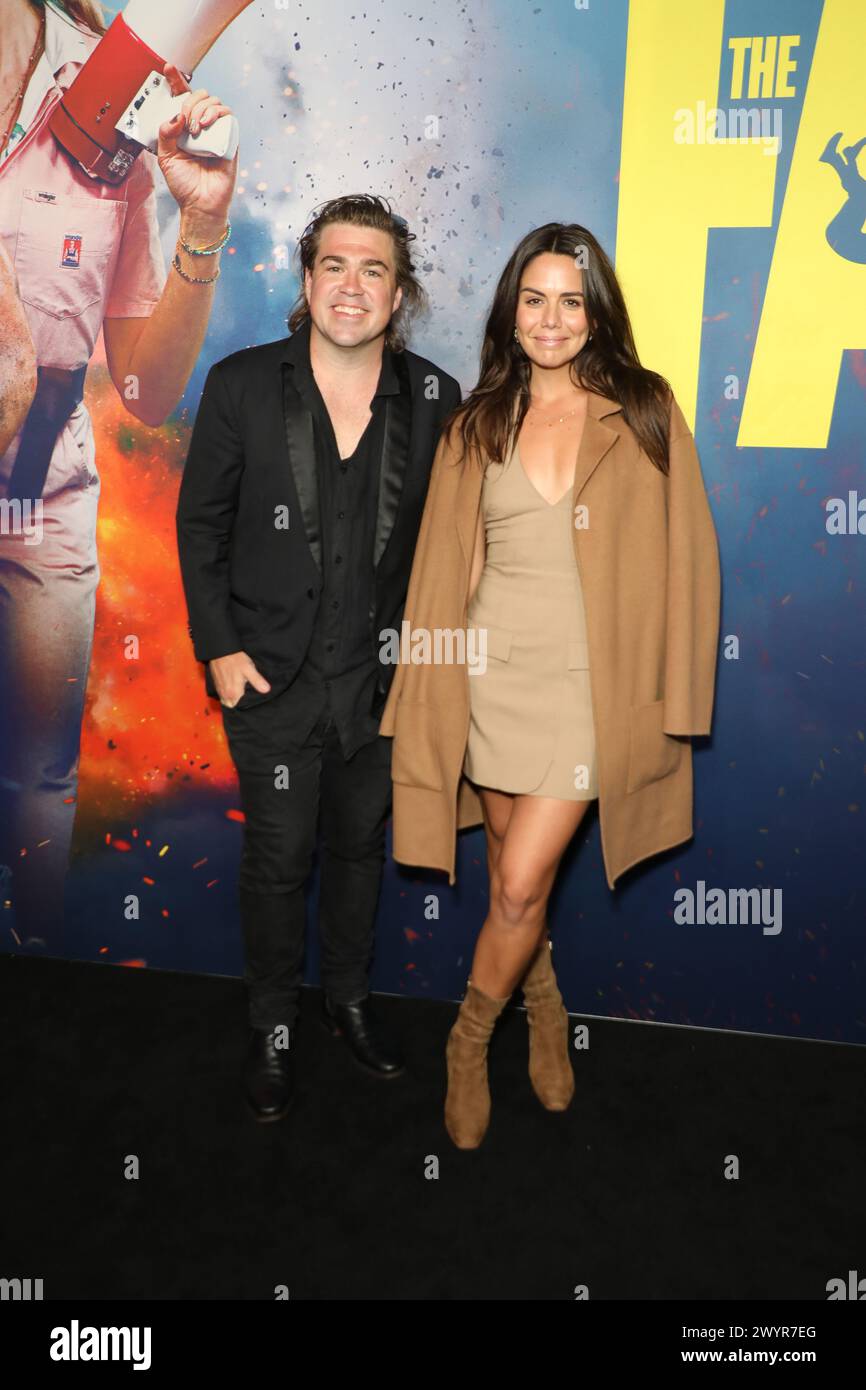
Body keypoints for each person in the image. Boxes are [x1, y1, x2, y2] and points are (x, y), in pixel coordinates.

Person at [380, 222, 721, 1149]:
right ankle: (544, 999)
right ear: (511, 312)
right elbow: (440, 576)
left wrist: (681, 700)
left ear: (596, 311)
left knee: (523, 882)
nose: (552, 317)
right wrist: (425, 692)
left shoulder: (644, 408)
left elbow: (692, 559)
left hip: (589, 689)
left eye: (572, 300)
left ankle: (466, 1039)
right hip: (486, 679)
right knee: (508, 873)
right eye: (534, 299)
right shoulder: (476, 422)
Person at [175, 194, 462, 1123]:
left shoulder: (434, 397)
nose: (352, 286)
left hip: (380, 687)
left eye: (373, 269)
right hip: (270, 682)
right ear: (307, 282)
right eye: (335, 265)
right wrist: (218, 647)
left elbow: (450, 548)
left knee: (358, 854)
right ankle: (273, 1025)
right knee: (278, 860)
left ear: (398, 292)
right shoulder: (242, 383)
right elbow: (201, 524)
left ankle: (344, 1002)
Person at [0, 0, 238, 952]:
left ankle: (37, 1001)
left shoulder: (119, 88)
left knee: (41, 775)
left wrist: (202, 223)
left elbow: (144, 388)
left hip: (44, 476)